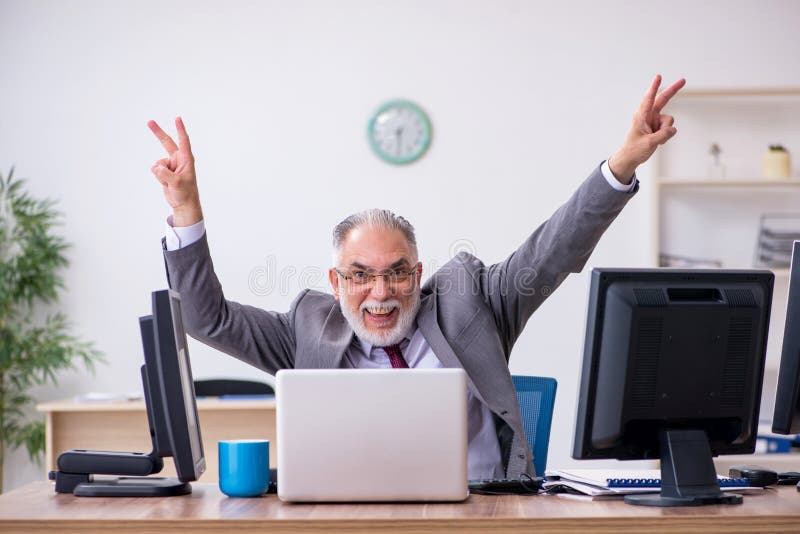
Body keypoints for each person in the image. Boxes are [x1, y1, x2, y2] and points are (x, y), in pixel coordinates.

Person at [148, 75, 686, 480]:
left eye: (396, 273)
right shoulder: (306, 329)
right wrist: (186, 206)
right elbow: (205, 318)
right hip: (347, 517)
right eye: (360, 276)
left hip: (481, 510)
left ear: (419, 273)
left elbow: (552, 250)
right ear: (336, 284)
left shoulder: (471, 303)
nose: (381, 293)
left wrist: (623, 163)